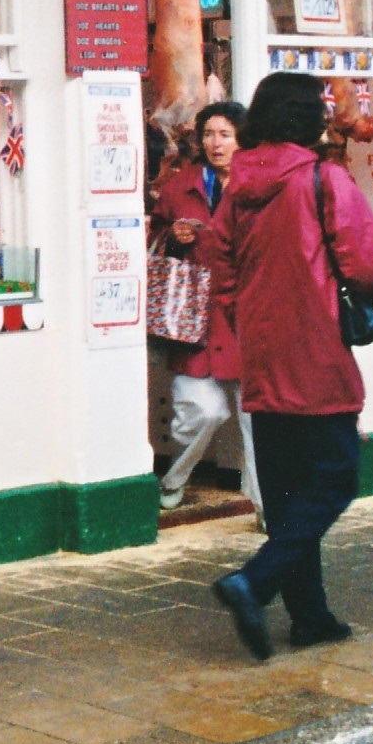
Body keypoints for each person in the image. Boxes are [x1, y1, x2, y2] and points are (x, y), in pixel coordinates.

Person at [204, 72, 373, 660]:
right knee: (337, 473)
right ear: (307, 119)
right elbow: (370, 266)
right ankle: (254, 582)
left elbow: (219, 263)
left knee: (288, 492)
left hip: (264, 354)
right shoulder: (322, 178)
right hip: (317, 352)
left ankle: (310, 617)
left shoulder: (238, 188)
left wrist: (249, 315)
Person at [149, 101, 256, 512]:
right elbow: (156, 239)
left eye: (225, 134)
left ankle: (268, 510)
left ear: (241, 139)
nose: (216, 143)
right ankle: (173, 480)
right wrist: (174, 237)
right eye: (209, 134)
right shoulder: (182, 186)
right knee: (201, 411)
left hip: (247, 316)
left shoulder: (259, 187)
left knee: (257, 421)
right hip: (195, 319)